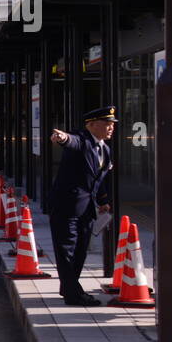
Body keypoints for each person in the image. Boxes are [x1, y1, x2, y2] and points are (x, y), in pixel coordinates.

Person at [45, 106, 116, 306]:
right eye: (106, 124)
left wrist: (103, 201)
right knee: (67, 249)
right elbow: (71, 141)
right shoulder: (82, 140)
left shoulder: (105, 149)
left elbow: (99, 179)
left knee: (80, 250)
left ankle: (68, 286)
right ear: (91, 125)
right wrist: (62, 138)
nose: (110, 128)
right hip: (66, 206)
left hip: (87, 209)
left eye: (112, 125)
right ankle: (73, 294)